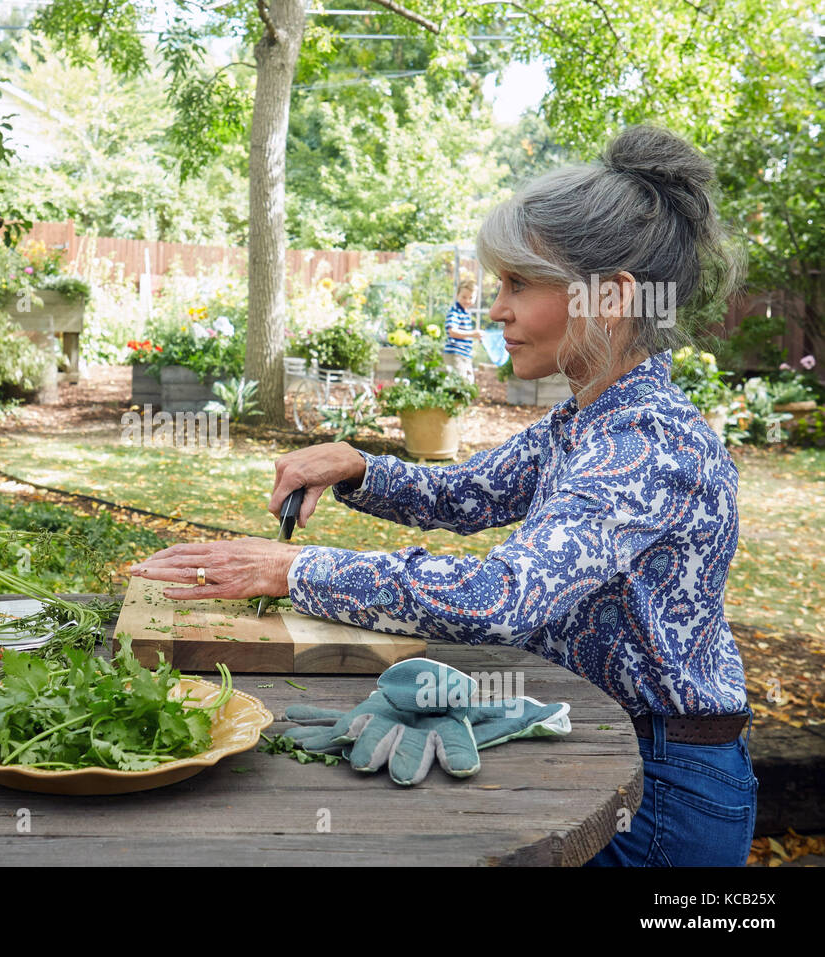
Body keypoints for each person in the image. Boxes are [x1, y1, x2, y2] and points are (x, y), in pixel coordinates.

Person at [131, 125, 756, 867]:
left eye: (519, 283)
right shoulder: (590, 417)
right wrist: (358, 467)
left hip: (663, 794)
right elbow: (468, 492)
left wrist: (290, 570)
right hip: (606, 742)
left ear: (611, 297)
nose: (497, 310)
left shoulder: (645, 442)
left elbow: (501, 595)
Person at [443, 279, 484, 384]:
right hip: (455, 353)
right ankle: (457, 400)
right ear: (457, 295)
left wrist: (475, 336)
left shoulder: (465, 312)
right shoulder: (455, 311)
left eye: (471, 297)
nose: (467, 300)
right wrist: (472, 334)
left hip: (464, 354)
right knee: (460, 383)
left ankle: (462, 400)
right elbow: (452, 331)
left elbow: (464, 333)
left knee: (468, 381)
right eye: (464, 297)